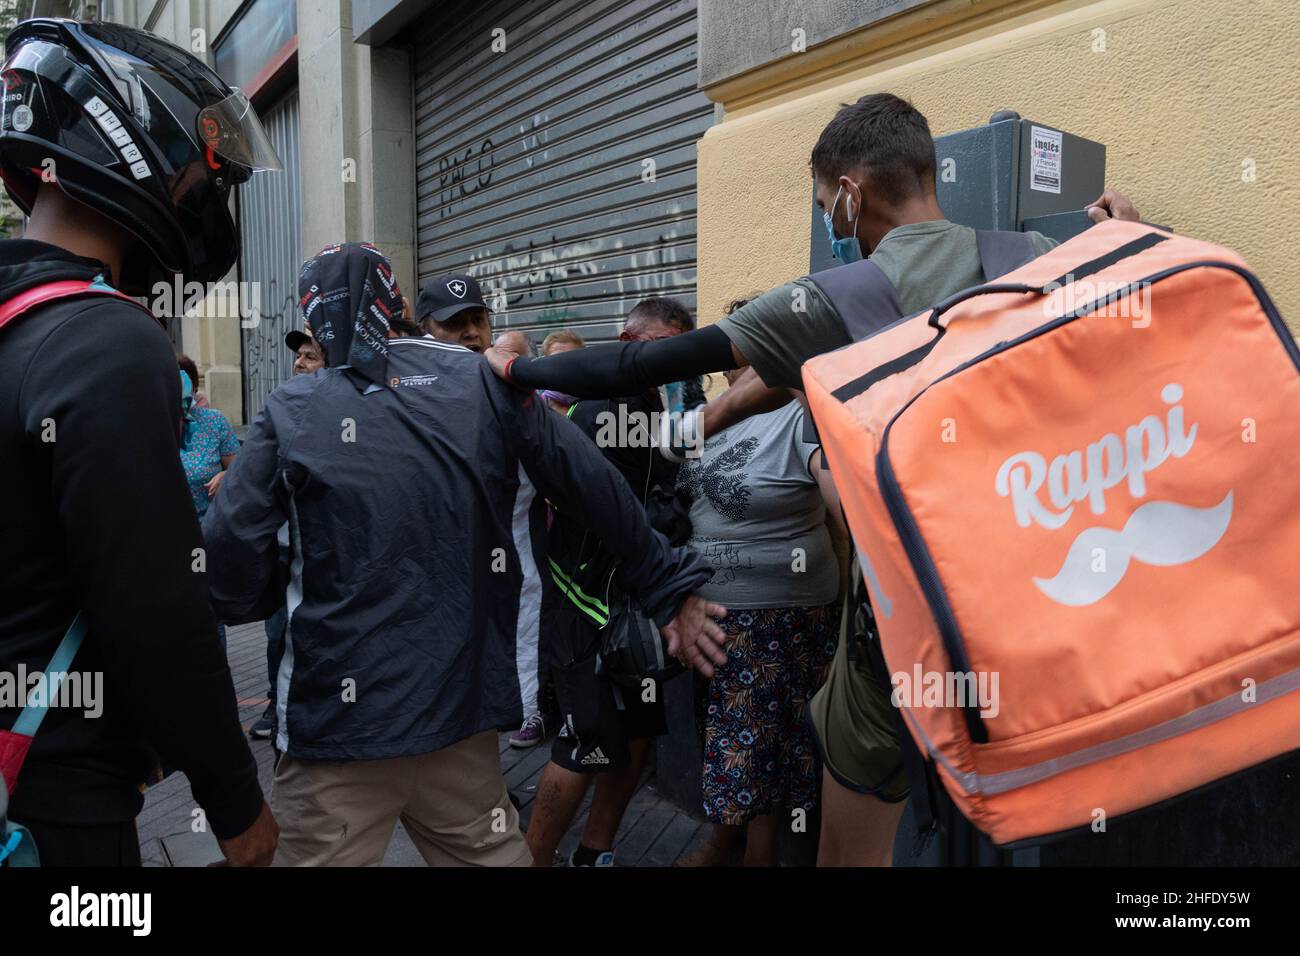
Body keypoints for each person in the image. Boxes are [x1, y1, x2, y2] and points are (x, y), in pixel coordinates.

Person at [486, 93, 1140, 866]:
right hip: (1039, 613)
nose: (830, 219)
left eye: (825, 201)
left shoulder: (827, 301)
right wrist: (1123, 234)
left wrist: (517, 368)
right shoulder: (1034, 257)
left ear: (851, 192)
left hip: (897, 631)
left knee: (850, 847)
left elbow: (640, 362)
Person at [202, 244, 727, 866]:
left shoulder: (298, 405)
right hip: (460, 721)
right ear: (398, 306)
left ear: (315, 321)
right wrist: (666, 586)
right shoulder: (482, 380)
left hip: (339, 733)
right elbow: (591, 481)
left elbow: (229, 551)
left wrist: (268, 594)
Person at [0, 19, 281, 866]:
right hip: (59, 799)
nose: (211, 190)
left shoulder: (22, 323)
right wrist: (235, 803)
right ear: (143, 141)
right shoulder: (105, 340)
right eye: (209, 169)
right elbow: (153, 608)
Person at [524, 297, 700, 868]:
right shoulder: (596, 410)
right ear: (627, 341)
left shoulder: (674, 409)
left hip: (641, 607)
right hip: (585, 605)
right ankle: (532, 858)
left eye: (682, 354)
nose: (675, 367)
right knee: (585, 743)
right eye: (661, 350)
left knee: (640, 733)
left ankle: (594, 852)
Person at [672, 310, 841, 866]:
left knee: (759, 756)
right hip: (709, 613)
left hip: (778, 618)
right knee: (738, 754)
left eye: (742, 344)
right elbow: (663, 462)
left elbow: (841, 504)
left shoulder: (799, 416)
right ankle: (727, 846)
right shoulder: (710, 416)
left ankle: (748, 856)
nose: (731, 358)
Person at [248, 328, 324, 741]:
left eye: (310, 357)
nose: (299, 363)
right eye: (298, 356)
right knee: (279, 634)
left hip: (324, 559)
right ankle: (276, 706)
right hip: (283, 553)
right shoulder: (282, 411)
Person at [418, 272, 493, 352]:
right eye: (454, 323)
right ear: (424, 333)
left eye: (478, 320)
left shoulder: (503, 362)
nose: (472, 333)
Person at [538, 329, 585, 413]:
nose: (564, 367)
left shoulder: (598, 400)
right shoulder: (535, 406)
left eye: (571, 360)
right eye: (556, 360)